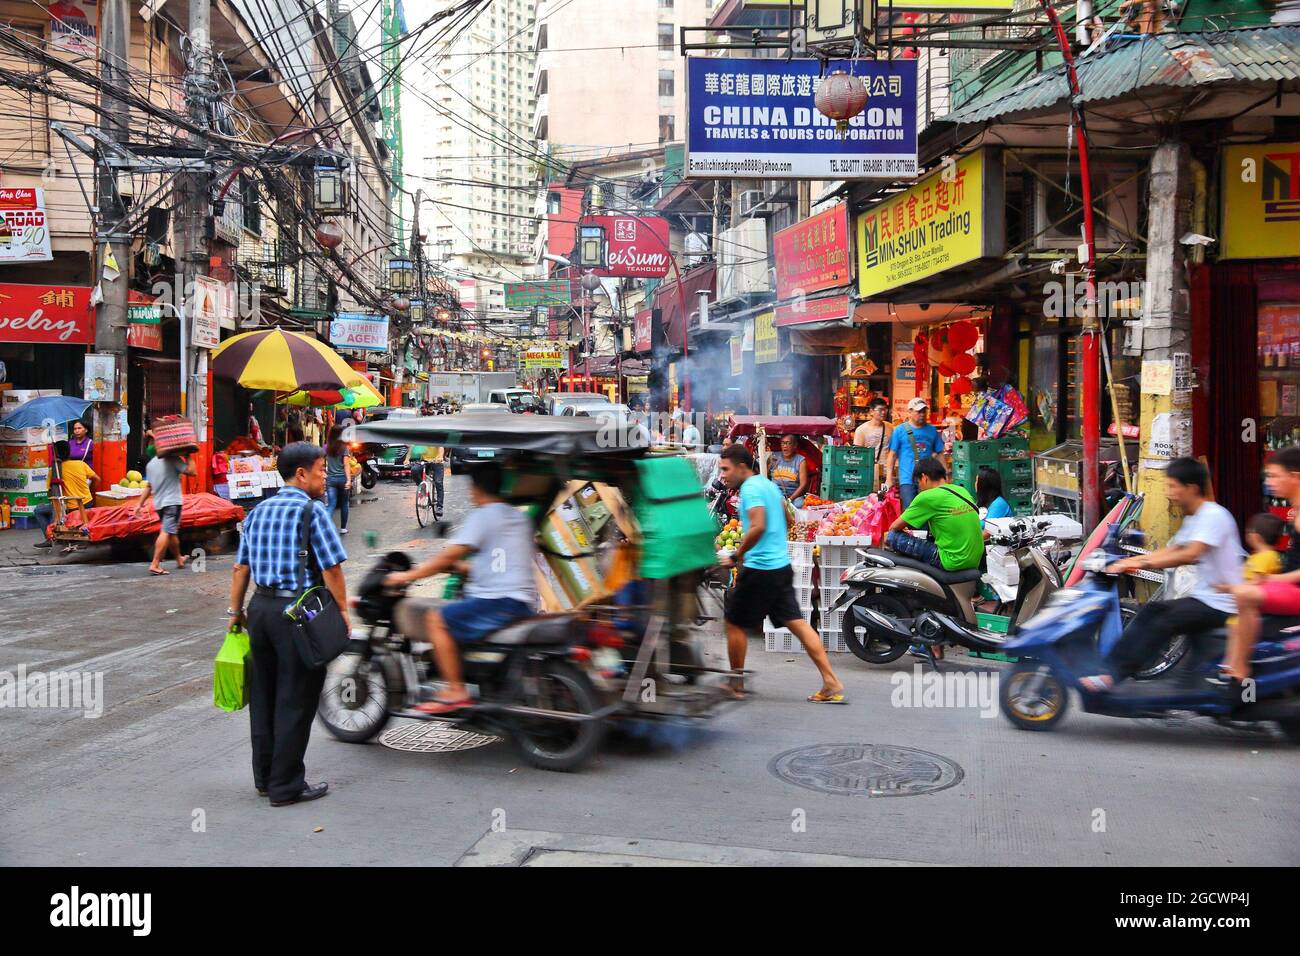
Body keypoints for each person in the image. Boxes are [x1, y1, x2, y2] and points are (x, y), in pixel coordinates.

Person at [227, 442, 349, 807]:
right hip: (295, 615)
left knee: (263, 697)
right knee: (296, 699)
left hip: (260, 609)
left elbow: (240, 568)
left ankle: (265, 778)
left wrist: (236, 614)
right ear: (301, 474)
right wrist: (343, 613)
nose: (324, 476)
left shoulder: (257, 511)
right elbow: (332, 569)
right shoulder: (312, 512)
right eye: (320, 470)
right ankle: (286, 786)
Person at [383, 464, 538, 714]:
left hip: (499, 602)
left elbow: (448, 556)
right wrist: (462, 569)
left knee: (437, 619)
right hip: (522, 601)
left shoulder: (484, 515)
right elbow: (499, 562)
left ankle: (455, 690)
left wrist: (406, 576)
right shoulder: (517, 517)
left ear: (476, 489)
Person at [1081, 457, 1244, 691]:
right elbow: (1174, 550)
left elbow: (1191, 554)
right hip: (1206, 598)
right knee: (1155, 612)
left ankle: (1111, 675)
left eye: (1172, 486)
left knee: (1158, 616)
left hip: (1222, 602)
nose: (1169, 493)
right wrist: (1130, 561)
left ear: (1191, 488)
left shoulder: (1213, 515)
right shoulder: (1195, 518)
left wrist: (1137, 563)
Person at [717, 444, 846, 703]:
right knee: (797, 622)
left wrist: (735, 556)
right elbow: (788, 519)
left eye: (725, 469)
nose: (722, 475)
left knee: (734, 622)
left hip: (759, 569)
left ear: (742, 467)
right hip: (780, 566)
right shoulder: (768, 485)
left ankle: (736, 682)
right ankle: (831, 681)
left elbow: (757, 526)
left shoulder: (751, 488)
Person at [1218, 447, 1300, 681]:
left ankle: (1239, 668)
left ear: (1295, 476)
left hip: (1295, 591)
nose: (1270, 482)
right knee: (1236, 590)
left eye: (1275, 476)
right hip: (1289, 587)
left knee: (1244, 594)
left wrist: (1275, 579)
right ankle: (1232, 664)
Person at [885, 457, 984, 571]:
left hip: (953, 561)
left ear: (924, 477)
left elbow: (894, 527)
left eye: (918, 483)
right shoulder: (961, 490)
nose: (920, 488)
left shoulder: (927, 496)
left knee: (892, 536)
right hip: (975, 559)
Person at [134, 448, 196, 575]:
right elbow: (192, 472)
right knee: (166, 531)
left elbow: (149, 487)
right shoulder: (172, 459)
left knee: (172, 532)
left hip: (159, 505)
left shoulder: (151, 465)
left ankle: (179, 558)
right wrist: (188, 455)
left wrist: (139, 504)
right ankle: (155, 564)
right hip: (172, 503)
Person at [32, 441, 97, 550]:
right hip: (87, 502)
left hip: (70, 508)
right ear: (69, 451)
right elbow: (97, 479)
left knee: (39, 510)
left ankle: (50, 538)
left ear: (55, 454)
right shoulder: (81, 464)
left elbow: (51, 493)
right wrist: (89, 491)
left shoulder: (55, 470)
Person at [886, 398, 946, 508]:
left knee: (928, 510)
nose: (922, 414)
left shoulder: (932, 430)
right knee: (910, 510)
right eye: (919, 411)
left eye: (924, 411)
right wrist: (888, 478)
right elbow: (892, 455)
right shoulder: (899, 430)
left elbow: (939, 454)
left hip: (928, 479)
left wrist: (944, 476)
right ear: (910, 412)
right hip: (907, 478)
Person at [852, 398, 893, 488]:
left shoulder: (890, 428)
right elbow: (857, 455)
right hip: (869, 472)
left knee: (885, 499)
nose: (883, 412)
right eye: (880, 410)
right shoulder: (861, 430)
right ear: (871, 411)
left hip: (886, 474)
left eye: (885, 409)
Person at [767, 434, 811, 507]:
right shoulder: (774, 456)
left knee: (799, 504)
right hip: (775, 493)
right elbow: (764, 475)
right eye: (783, 443)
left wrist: (791, 499)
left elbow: (803, 484)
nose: (785, 446)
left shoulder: (800, 460)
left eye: (788, 443)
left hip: (794, 495)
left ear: (795, 446)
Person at [324, 425, 351, 534]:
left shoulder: (326, 447)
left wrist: (324, 473)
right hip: (342, 479)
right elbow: (346, 465)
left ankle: (325, 527)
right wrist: (349, 480)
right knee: (344, 503)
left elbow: (322, 462)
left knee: (331, 504)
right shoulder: (344, 447)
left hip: (330, 479)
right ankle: (343, 528)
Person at [976, 466, 1013, 539]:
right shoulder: (981, 502)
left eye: (977, 481)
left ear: (983, 485)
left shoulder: (998, 504)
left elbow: (987, 533)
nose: (975, 484)